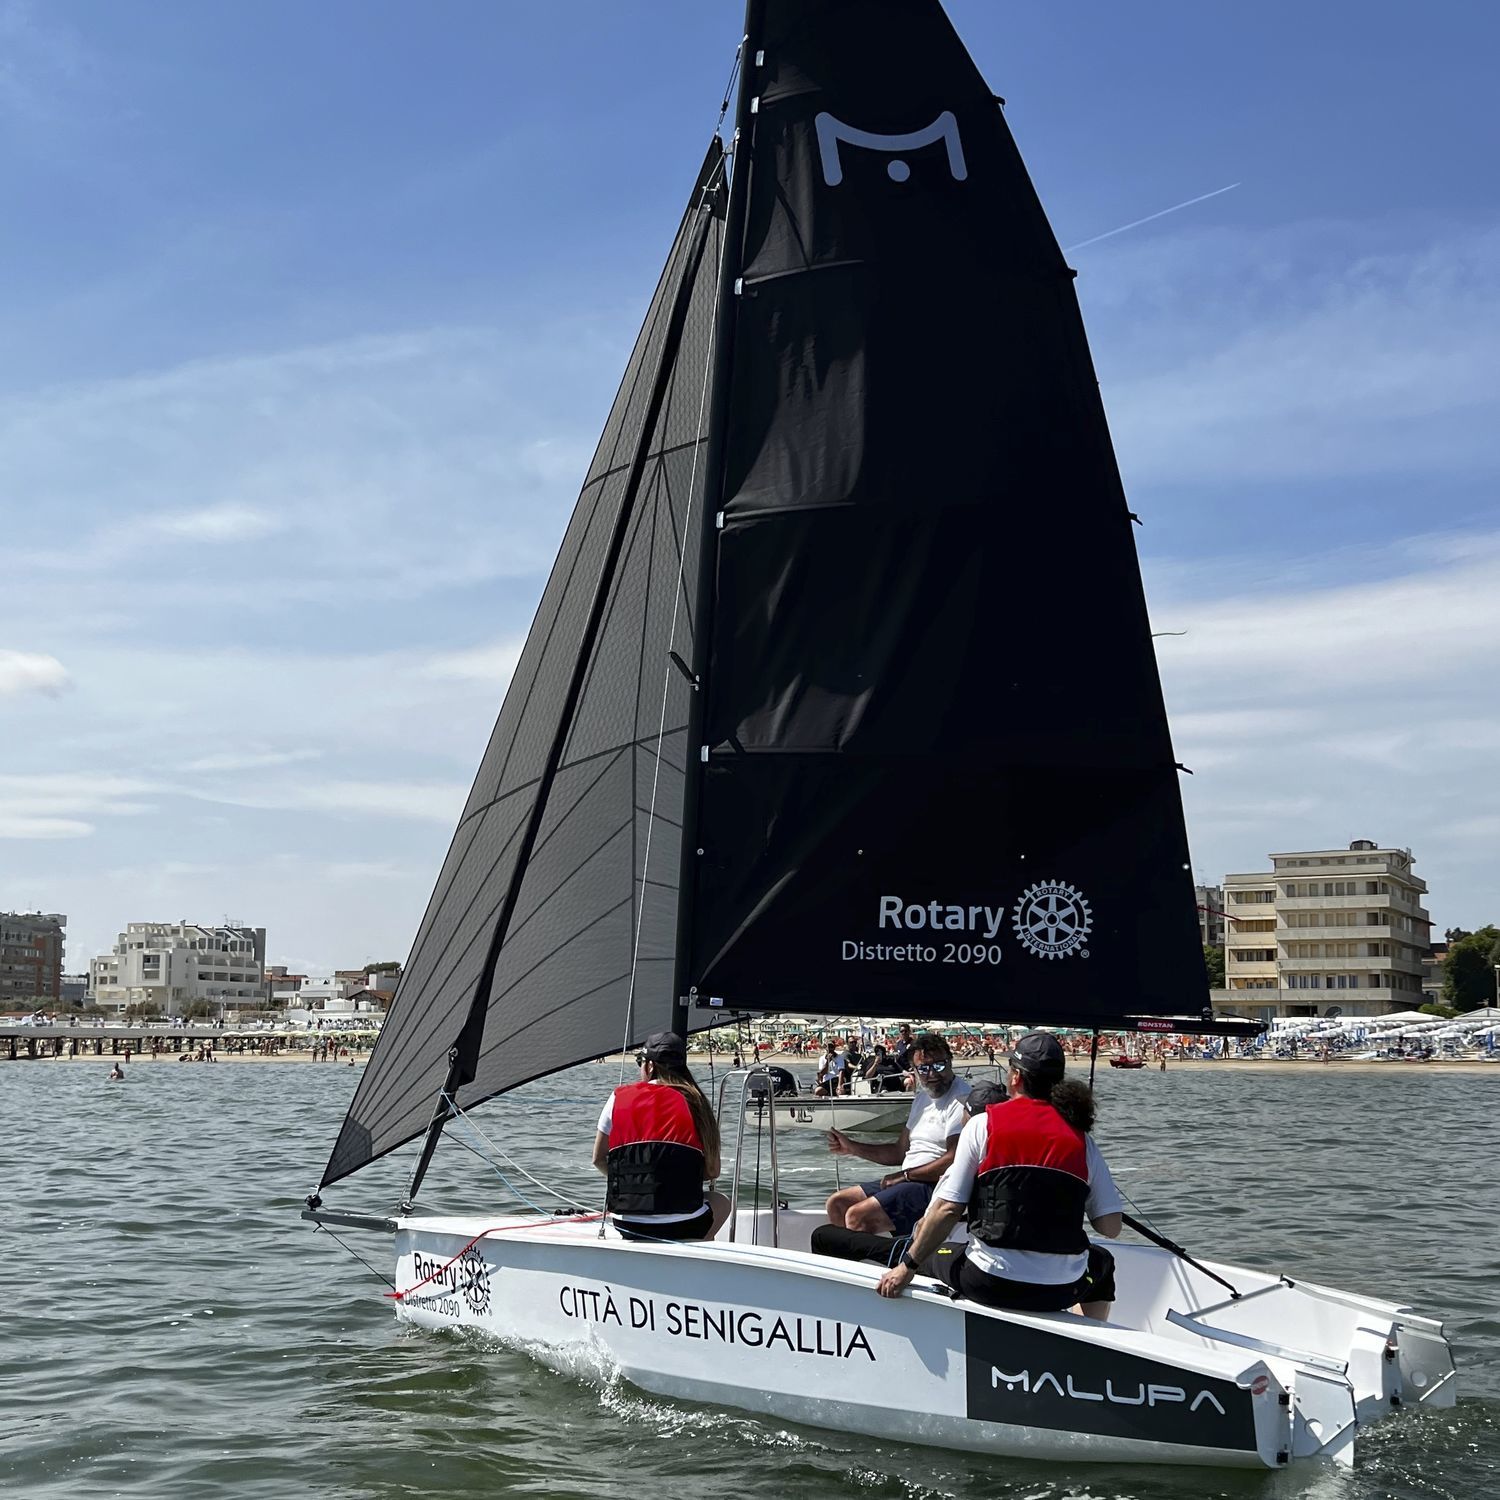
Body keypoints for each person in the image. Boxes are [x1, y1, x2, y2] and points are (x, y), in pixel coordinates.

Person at [875, 1030, 1122, 1319]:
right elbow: (1110, 1228)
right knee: (1102, 1263)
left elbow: (947, 1209)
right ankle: (1086, 1345)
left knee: (928, 1255)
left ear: (1015, 1077)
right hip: (1062, 1289)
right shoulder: (1083, 1141)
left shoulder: (982, 1125)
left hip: (989, 1282)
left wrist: (908, 1267)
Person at [825, 1033, 971, 1237]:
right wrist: (851, 1147)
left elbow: (954, 1159)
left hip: (936, 1185)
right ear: (914, 1070)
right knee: (838, 1203)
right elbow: (900, 1152)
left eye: (939, 1066)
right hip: (910, 1178)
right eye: (924, 1069)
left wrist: (904, 1177)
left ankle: (887, 1265)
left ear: (950, 1062)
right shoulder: (922, 1099)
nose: (932, 1074)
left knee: (858, 1216)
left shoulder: (961, 1100)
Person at [592, 1031, 730, 1242]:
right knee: (721, 1202)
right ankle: (699, 1253)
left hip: (627, 1223)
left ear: (649, 1066)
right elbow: (713, 1170)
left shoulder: (618, 1097)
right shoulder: (696, 1101)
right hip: (684, 1224)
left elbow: (598, 1159)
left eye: (640, 1061)